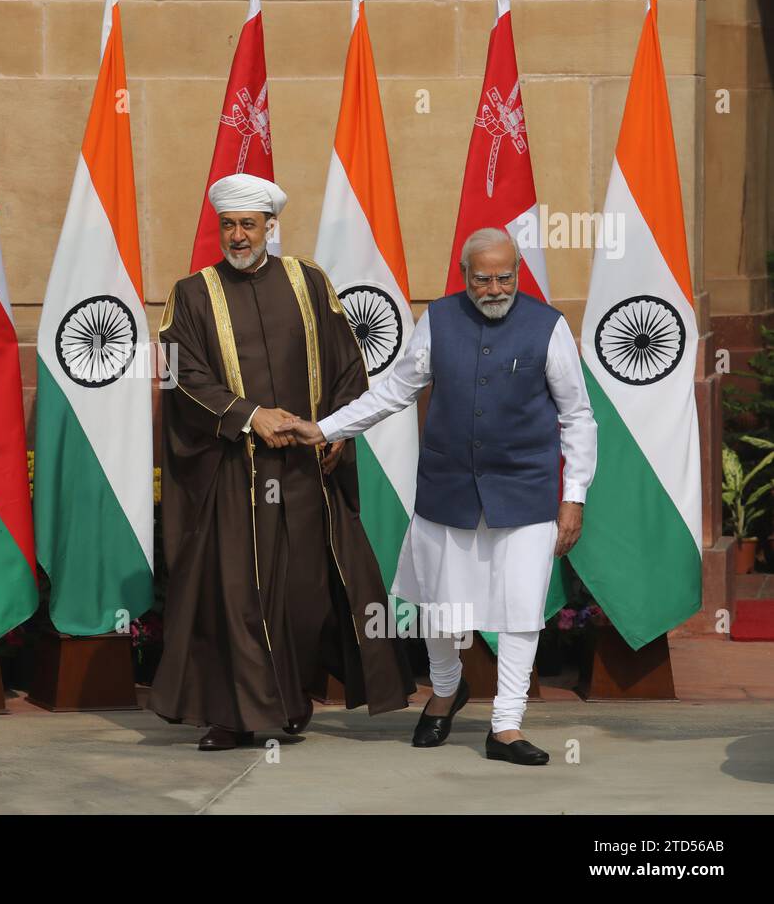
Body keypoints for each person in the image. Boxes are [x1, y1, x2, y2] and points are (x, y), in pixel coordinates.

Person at [276, 227, 597, 765]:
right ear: (464, 275)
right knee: (442, 610)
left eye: (505, 277)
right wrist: (327, 428)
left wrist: (575, 495)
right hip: (447, 491)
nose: (495, 288)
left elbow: (577, 416)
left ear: (517, 273)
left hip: (525, 495)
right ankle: (446, 690)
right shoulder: (439, 320)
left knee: (520, 611)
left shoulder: (549, 327)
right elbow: (394, 391)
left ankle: (506, 727)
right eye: (483, 278)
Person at [148, 172, 414, 752]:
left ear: (271, 227)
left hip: (306, 473)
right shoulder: (191, 294)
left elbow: (348, 361)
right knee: (236, 598)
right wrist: (248, 414)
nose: (238, 236)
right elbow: (176, 376)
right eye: (228, 226)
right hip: (233, 476)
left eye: (248, 225)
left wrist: (339, 428)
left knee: (303, 596)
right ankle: (235, 716)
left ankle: (289, 700)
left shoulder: (310, 281)